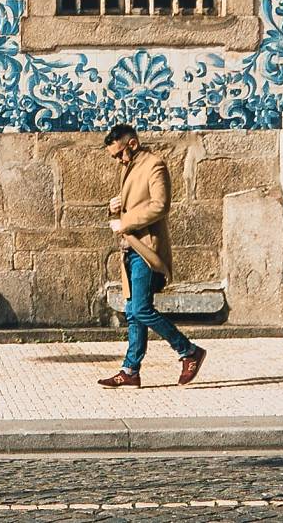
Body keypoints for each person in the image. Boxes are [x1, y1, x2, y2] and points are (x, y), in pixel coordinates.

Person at [97, 123, 207, 388]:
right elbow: (135, 205)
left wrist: (124, 223)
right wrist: (115, 207)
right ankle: (130, 370)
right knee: (133, 313)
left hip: (146, 249)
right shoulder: (130, 167)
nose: (118, 160)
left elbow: (160, 205)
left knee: (141, 309)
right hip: (130, 248)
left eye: (119, 154)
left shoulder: (154, 165)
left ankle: (189, 351)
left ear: (132, 144)